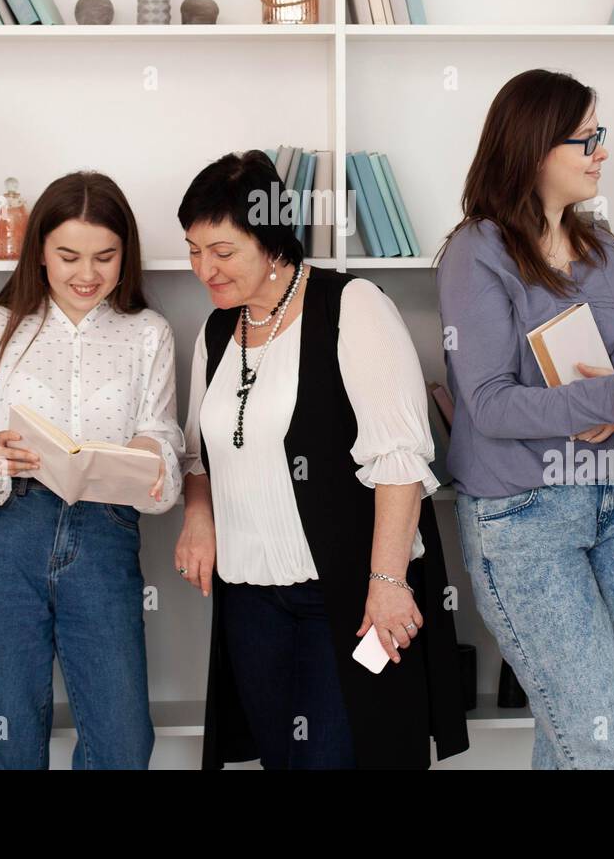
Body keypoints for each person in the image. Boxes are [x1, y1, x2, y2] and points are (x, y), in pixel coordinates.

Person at [174, 150, 468, 769]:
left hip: (343, 599)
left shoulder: (350, 306)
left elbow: (399, 460)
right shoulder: (217, 331)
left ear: (272, 238)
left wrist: (387, 583)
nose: (204, 269)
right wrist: (198, 519)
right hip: (249, 600)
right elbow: (199, 453)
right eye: (193, 250)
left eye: (222, 252)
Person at [436, 69, 614, 769]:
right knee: (602, 746)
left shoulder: (605, 253)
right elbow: (485, 402)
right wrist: (606, 400)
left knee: (571, 735)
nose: (602, 151)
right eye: (587, 138)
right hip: (524, 516)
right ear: (537, 147)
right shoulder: (475, 252)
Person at [0, 170, 182, 769]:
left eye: (105, 257)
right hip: (2, 541)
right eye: (68, 256)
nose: (86, 274)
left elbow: (167, 452)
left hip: (105, 537)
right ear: (39, 250)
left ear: (126, 256)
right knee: (8, 740)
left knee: (122, 744)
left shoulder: (148, 334)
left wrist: (152, 453)